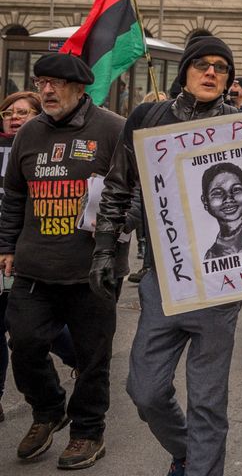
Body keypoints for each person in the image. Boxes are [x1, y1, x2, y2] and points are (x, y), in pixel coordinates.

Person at [94, 36, 242, 476]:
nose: (212, 73)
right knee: (145, 390)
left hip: (222, 288)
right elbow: (119, 187)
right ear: (186, 70)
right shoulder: (146, 117)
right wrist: (104, 248)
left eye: (221, 68)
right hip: (164, 280)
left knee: (209, 402)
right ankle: (187, 451)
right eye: (202, 65)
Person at [0, 55, 126, 469]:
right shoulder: (29, 133)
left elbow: (137, 191)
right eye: (41, 83)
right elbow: (15, 195)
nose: (47, 91)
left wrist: (118, 236)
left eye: (55, 83)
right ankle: (49, 408)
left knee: (93, 358)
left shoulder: (111, 129)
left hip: (92, 269)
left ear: (80, 88)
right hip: (35, 266)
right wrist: (6, 246)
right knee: (25, 344)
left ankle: (88, 431)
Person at [199, 163, 242, 261]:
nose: (228, 199)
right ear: (205, 201)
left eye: (236, 189)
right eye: (217, 193)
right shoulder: (211, 257)